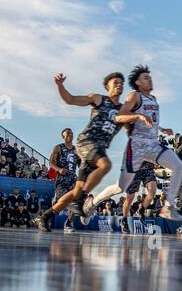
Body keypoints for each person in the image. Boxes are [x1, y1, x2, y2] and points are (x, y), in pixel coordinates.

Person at [90, 65, 182, 221]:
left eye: (150, 77)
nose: (150, 79)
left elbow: (149, 122)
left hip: (153, 144)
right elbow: (119, 117)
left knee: (178, 165)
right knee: (120, 188)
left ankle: (168, 207)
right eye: (145, 78)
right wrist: (139, 117)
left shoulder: (153, 99)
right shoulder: (134, 96)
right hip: (136, 146)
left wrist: (161, 128)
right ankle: (93, 203)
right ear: (138, 82)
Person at [39, 72, 127, 231]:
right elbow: (70, 99)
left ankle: (46, 216)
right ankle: (80, 200)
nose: (119, 85)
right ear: (107, 86)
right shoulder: (98, 99)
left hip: (97, 151)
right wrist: (60, 86)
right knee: (106, 165)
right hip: (87, 142)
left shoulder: (123, 111)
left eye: (121, 82)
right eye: (115, 82)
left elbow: (134, 129)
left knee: (76, 191)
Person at [48, 128, 81, 232]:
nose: (70, 135)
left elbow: (80, 164)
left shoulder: (77, 149)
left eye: (71, 133)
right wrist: (59, 169)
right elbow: (51, 162)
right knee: (62, 202)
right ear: (63, 136)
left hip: (73, 179)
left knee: (75, 201)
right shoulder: (58, 148)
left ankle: (69, 222)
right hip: (61, 179)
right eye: (67, 134)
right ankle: (47, 218)